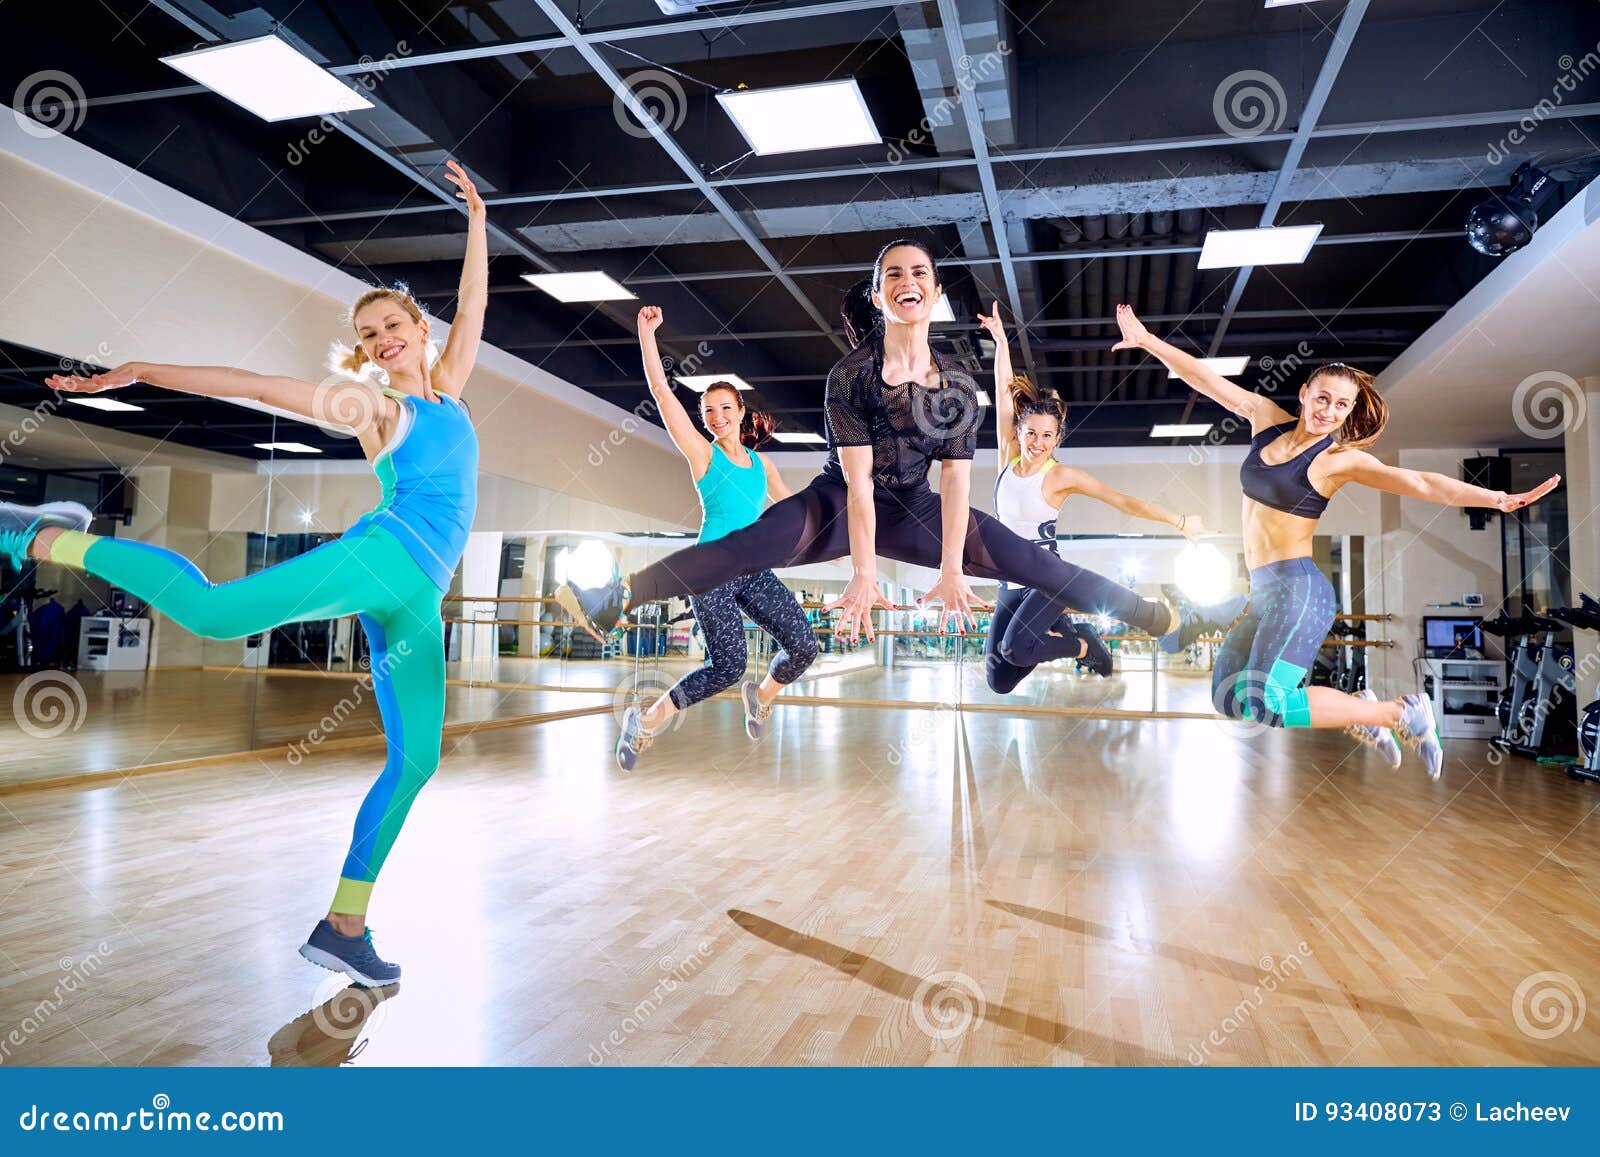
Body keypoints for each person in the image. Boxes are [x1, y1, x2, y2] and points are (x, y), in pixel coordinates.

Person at [2, 160, 489, 984]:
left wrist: (478, 215)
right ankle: (38, 539)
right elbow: (261, 385)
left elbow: (476, 304)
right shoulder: (378, 408)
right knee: (218, 615)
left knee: (417, 762)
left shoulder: (453, 392)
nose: (380, 340)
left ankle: (344, 925)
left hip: (419, 595)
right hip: (386, 555)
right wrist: (144, 371)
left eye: (391, 324)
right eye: (368, 335)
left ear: (420, 327)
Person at [554, 239, 1182, 658]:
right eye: (893, 275)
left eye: (919, 273)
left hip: (915, 507)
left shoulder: (958, 385)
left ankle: (1157, 619)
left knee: (1033, 563)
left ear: (933, 294)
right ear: (880, 296)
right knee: (745, 547)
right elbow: (856, 486)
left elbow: (957, 484)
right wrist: (862, 573)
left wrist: (953, 569)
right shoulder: (851, 376)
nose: (908, 282)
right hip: (834, 502)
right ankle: (613, 598)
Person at [1113, 303, 1559, 777]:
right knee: (1230, 697)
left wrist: (1497, 498)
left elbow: (1423, 482)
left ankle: (1397, 712)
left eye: (1341, 405)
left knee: (1272, 702)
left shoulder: (1339, 460)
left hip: (1299, 590)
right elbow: (1206, 380)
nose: (1330, 411)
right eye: (1323, 398)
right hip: (1263, 591)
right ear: (1305, 393)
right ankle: (1359, 707)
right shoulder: (1266, 419)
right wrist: (1148, 342)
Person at [611, 305, 817, 769]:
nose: (718, 416)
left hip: (753, 570)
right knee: (726, 664)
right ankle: (644, 722)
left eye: (726, 408)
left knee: (804, 645)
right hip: (711, 569)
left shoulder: (763, 465)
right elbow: (663, 395)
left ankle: (761, 695)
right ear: (704, 419)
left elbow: (796, 510)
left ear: (742, 412)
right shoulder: (704, 457)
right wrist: (647, 337)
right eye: (709, 411)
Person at [979, 302, 1213, 694]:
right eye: (1031, 433)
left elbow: (1123, 501)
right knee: (999, 679)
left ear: (1057, 438)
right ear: (1019, 432)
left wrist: (1180, 521)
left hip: (1046, 577)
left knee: (1016, 648)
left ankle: (1083, 643)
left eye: (1047, 435)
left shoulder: (1061, 476)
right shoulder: (1008, 457)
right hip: (1010, 582)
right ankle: (1069, 629)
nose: (1038, 443)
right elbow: (1004, 391)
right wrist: (1001, 340)